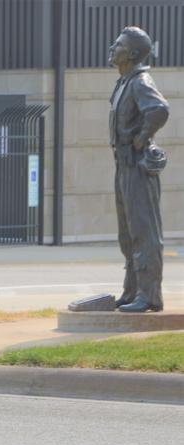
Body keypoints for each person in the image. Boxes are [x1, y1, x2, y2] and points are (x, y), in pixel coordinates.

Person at [107, 26, 170, 313]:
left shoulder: (140, 81)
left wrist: (142, 138)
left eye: (118, 45)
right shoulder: (124, 82)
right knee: (127, 233)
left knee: (144, 231)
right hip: (122, 164)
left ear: (132, 53)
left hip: (136, 164)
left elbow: (158, 109)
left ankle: (149, 295)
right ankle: (132, 290)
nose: (112, 48)